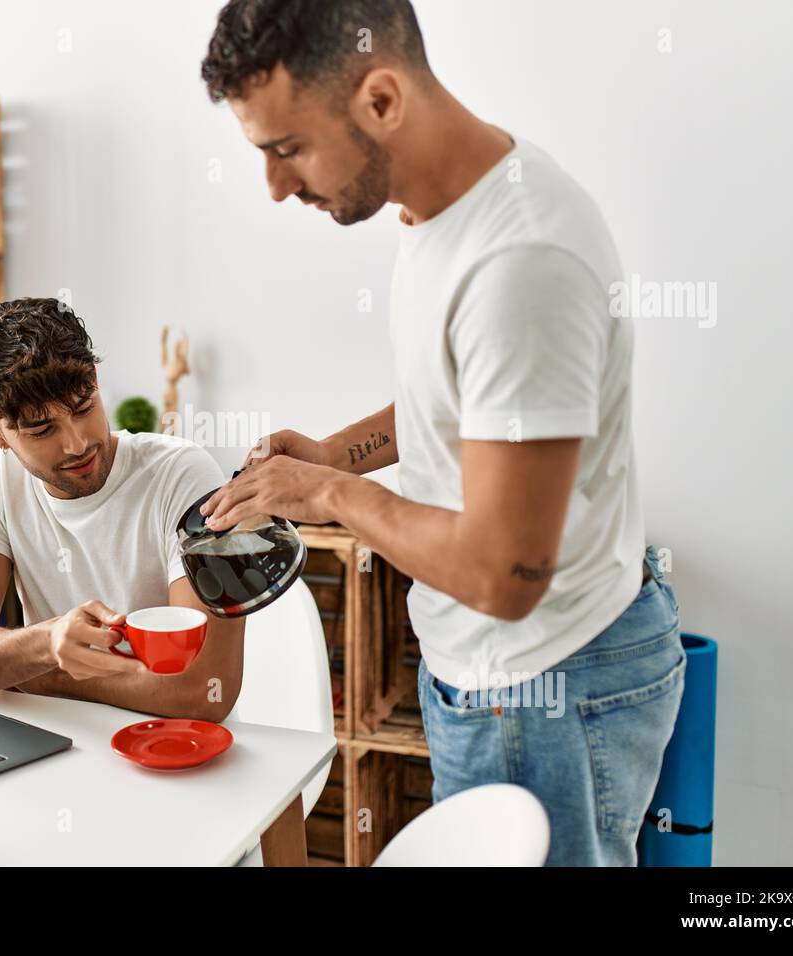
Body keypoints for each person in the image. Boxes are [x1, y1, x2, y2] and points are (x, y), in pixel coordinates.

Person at [197, 0, 684, 865]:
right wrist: (333, 452)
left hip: (544, 678)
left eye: (286, 149)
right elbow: (459, 405)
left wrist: (332, 492)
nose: (275, 186)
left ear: (381, 100)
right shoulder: (439, 214)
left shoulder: (520, 262)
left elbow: (505, 576)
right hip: (495, 672)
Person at [0, 297, 244, 721]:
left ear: (96, 381)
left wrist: (29, 670)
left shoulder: (182, 475)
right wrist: (49, 643)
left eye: (84, 410)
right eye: (42, 429)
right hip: (66, 741)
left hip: (177, 745)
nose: (77, 444)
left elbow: (204, 690)